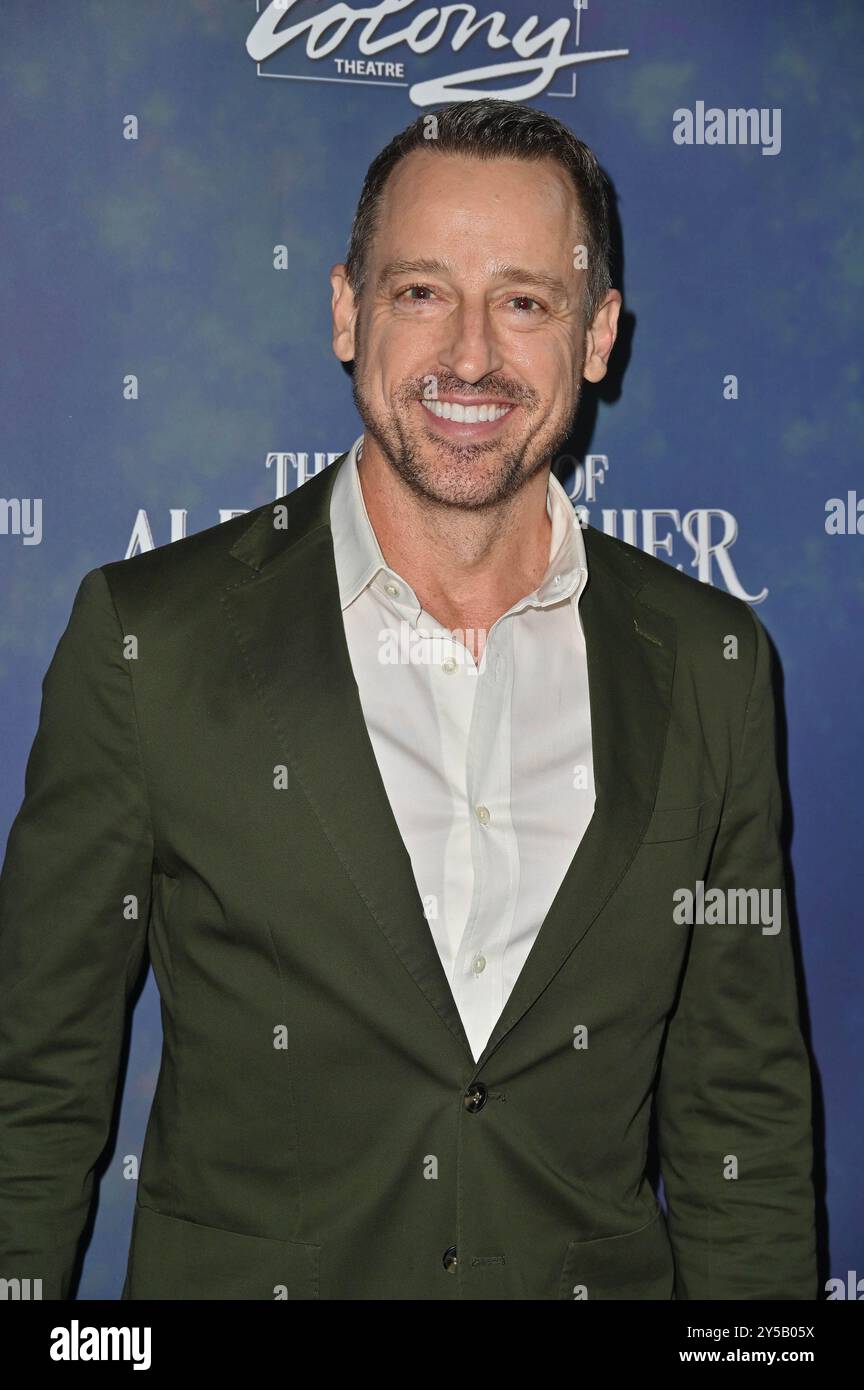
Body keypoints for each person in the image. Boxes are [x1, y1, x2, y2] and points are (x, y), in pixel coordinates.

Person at [0, 98, 816, 1300]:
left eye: (526, 301)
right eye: (424, 291)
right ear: (347, 310)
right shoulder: (150, 642)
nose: (472, 355)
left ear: (597, 335)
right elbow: (35, 1089)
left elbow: (740, 1118)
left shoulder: (712, 667)